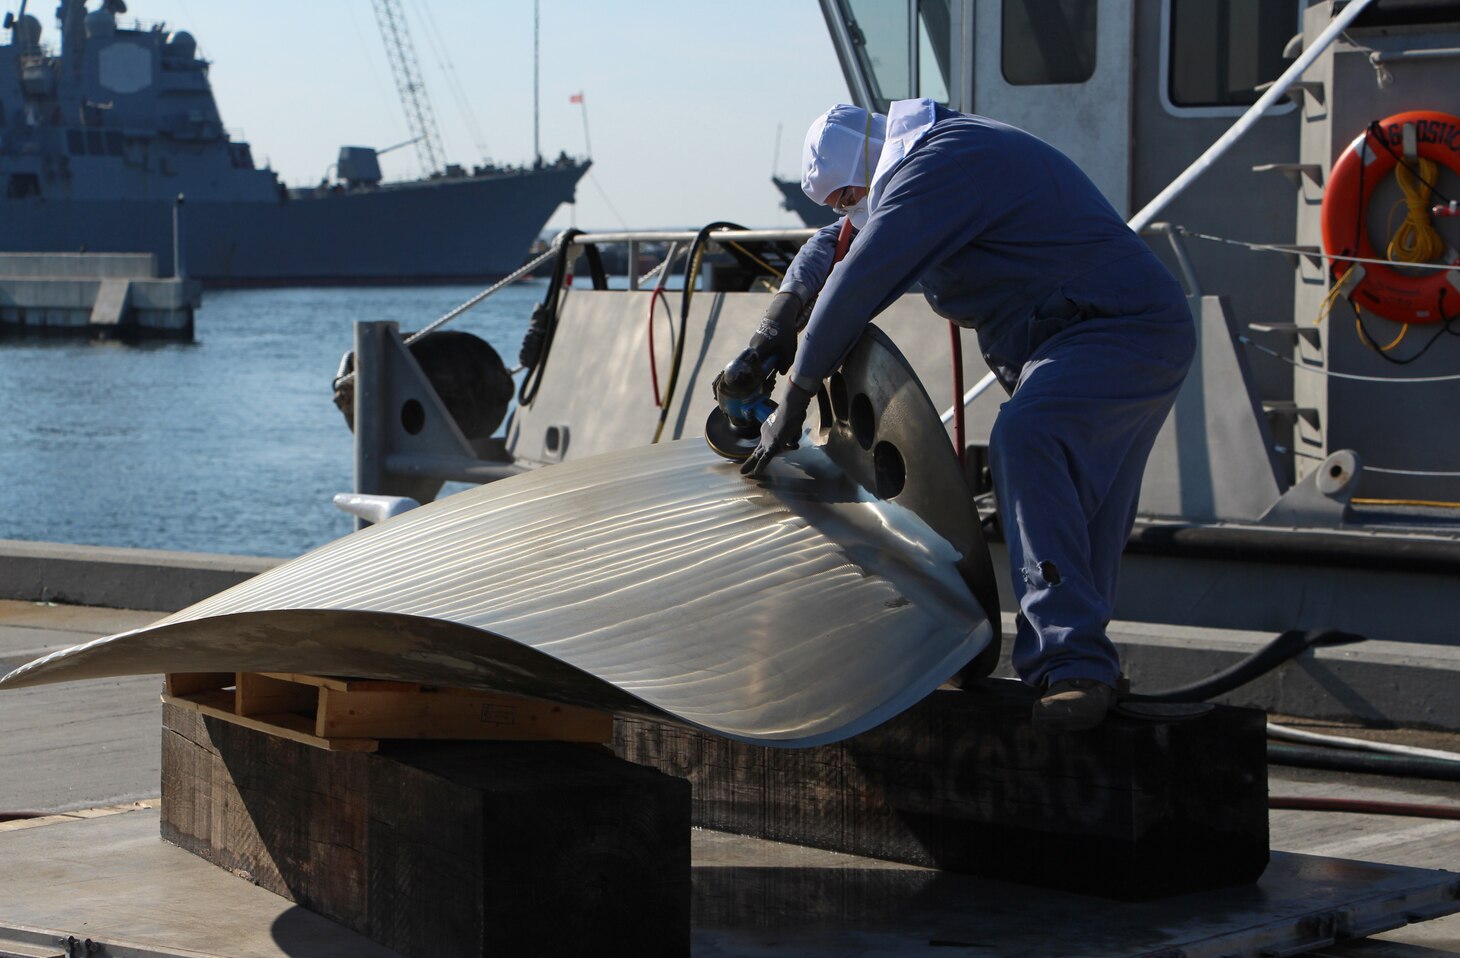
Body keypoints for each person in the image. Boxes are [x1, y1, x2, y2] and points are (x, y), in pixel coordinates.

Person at [738, 100, 1194, 733]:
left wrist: (797, 392)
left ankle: (1073, 666)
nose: (846, 210)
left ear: (867, 167)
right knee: (1083, 513)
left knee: (1026, 437)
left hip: (1117, 328)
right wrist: (774, 324)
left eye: (847, 196)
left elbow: (862, 273)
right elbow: (834, 245)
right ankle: (1083, 667)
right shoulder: (917, 163)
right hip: (1102, 331)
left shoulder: (945, 163)